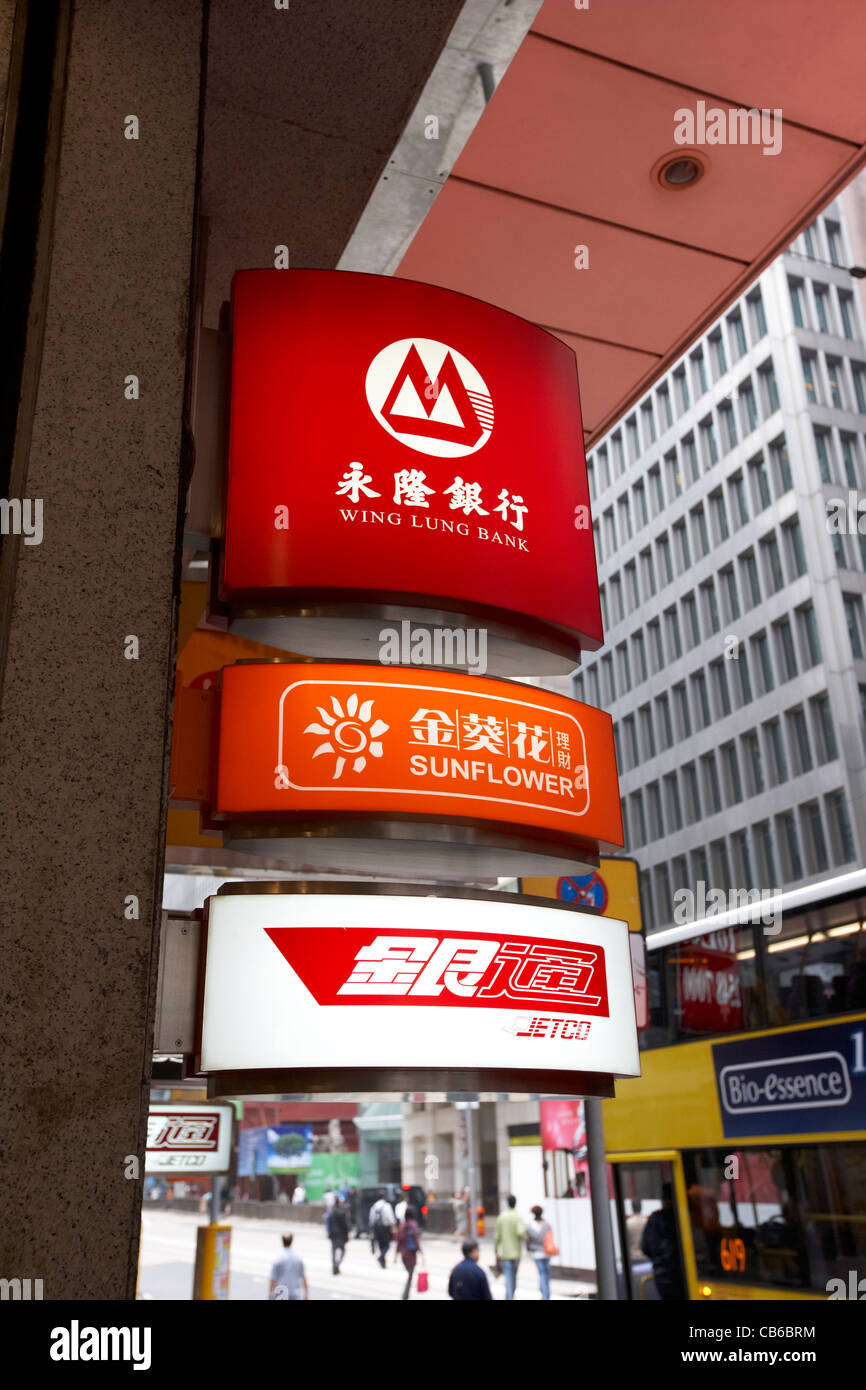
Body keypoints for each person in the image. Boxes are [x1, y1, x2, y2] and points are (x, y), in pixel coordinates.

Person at [641, 1184, 686, 1300]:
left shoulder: (655, 1219)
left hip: (662, 1277)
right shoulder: (684, 1215)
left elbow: (645, 1247)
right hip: (683, 1275)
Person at [494, 1194, 526, 1300]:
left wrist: (495, 1252)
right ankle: (510, 1296)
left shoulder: (502, 1217)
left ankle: (509, 1297)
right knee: (513, 1278)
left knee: (508, 1278)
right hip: (516, 1253)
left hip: (505, 1253)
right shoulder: (518, 1216)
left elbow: (496, 1237)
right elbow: (521, 1232)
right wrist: (527, 1241)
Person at [393, 1203, 423, 1299]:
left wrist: (396, 1255)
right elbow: (416, 1239)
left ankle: (406, 1293)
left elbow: (399, 1241)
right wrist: (421, 1252)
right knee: (410, 1274)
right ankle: (406, 1294)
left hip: (404, 1254)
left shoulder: (401, 1226)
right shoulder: (414, 1225)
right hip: (411, 1253)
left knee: (409, 1273)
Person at [525, 1204, 554, 1300]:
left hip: (536, 1253)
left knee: (542, 1273)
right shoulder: (546, 1224)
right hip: (546, 1252)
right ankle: (545, 1294)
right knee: (546, 1274)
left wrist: (528, 1249)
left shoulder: (530, 1225)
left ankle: (544, 1295)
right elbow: (550, 1237)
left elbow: (527, 1239)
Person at [269, 1232, 308, 1301]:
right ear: (292, 1241)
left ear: (282, 1241)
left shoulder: (278, 1259)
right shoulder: (298, 1258)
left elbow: (273, 1279)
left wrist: (270, 1294)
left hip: (281, 1293)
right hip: (295, 1293)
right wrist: (306, 1294)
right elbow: (303, 1277)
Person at [369, 1189, 396, 1268]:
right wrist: (393, 1226)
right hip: (385, 1228)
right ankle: (381, 1258)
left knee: (381, 1245)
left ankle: (383, 1261)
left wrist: (372, 1229)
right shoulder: (386, 1206)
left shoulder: (374, 1206)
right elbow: (390, 1218)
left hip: (376, 1228)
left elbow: (371, 1219)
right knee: (387, 1245)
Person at [329, 1197, 349, 1275]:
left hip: (333, 1234)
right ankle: (337, 1265)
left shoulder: (332, 1212)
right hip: (340, 1235)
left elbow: (329, 1224)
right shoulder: (342, 1212)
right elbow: (345, 1225)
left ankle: (334, 1266)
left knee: (334, 1251)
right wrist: (347, 1234)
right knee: (343, 1250)